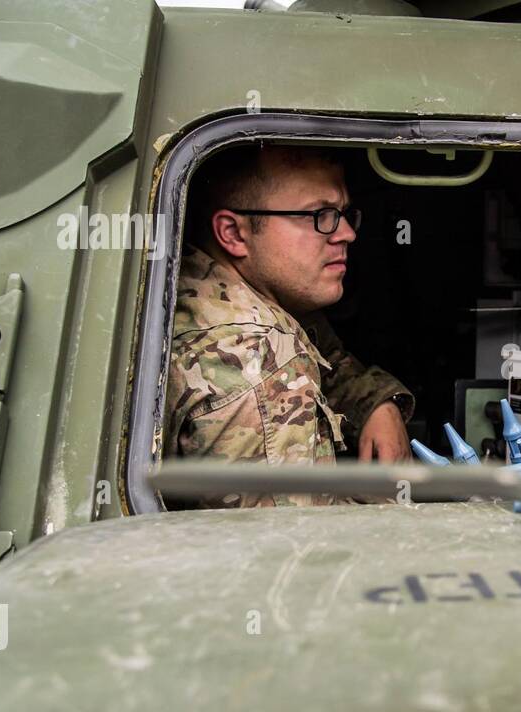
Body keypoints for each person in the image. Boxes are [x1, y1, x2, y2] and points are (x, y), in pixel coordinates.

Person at [165, 143, 414, 507]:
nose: (347, 233)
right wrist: (392, 503)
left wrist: (377, 404)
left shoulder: (203, 277)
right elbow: (295, 550)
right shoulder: (261, 365)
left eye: (343, 213)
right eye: (319, 215)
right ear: (233, 233)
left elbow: (322, 348)